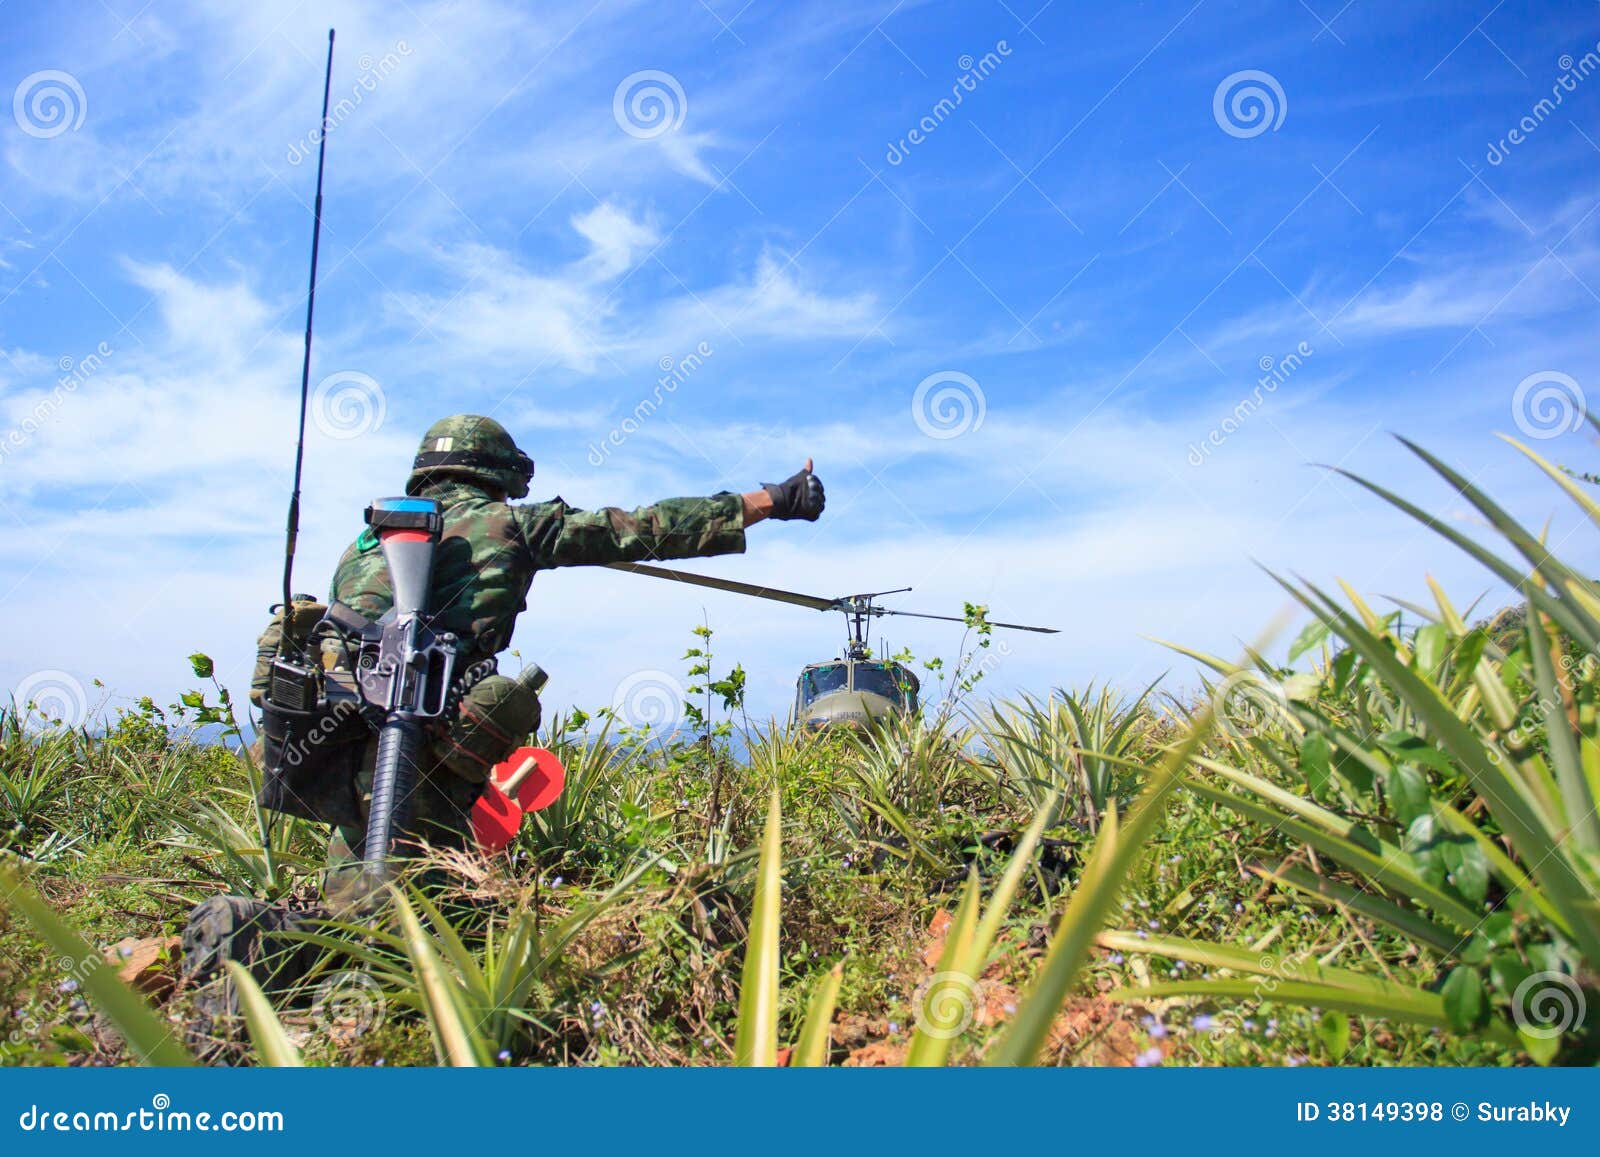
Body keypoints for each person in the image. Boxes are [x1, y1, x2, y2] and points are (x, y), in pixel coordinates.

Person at [182, 414, 824, 1050]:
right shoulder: (510, 525)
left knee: (362, 886)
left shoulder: (366, 544)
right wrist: (772, 500)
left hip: (341, 742)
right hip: (427, 744)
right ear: (497, 473)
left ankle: (279, 979)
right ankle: (274, 954)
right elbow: (642, 528)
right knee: (422, 923)